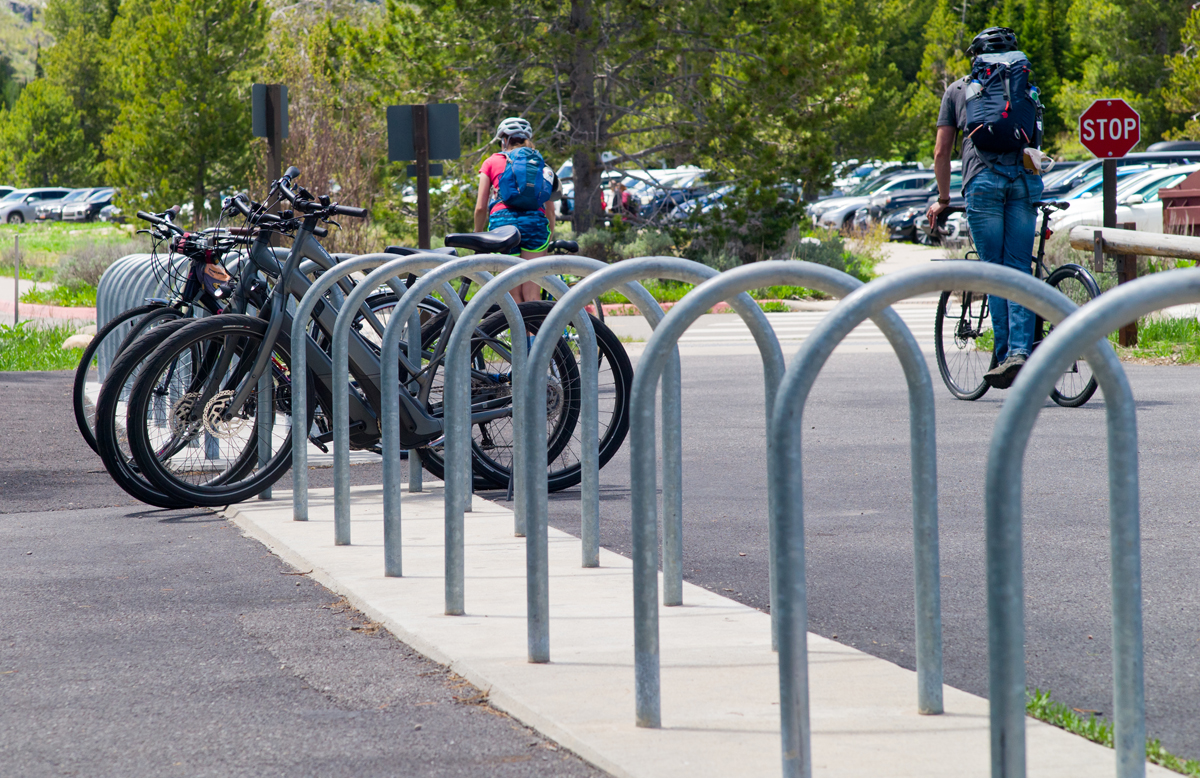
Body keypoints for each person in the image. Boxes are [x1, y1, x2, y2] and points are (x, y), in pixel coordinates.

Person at [926, 26, 1044, 389]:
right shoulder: (1028, 88)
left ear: (975, 58)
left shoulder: (959, 90)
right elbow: (1035, 140)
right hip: (1025, 181)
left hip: (983, 183)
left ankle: (1007, 353)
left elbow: (941, 153)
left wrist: (944, 200)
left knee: (994, 273)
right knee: (1019, 270)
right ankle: (1022, 351)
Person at [474, 117, 557, 303]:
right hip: (535, 224)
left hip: (504, 226)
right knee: (533, 294)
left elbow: (480, 207)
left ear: (503, 140)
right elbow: (550, 209)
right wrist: (549, 235)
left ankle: (519, 332)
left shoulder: (491, 162)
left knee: (513, 296)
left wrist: (478, 236)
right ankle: (536, 333)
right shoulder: (539, 162)